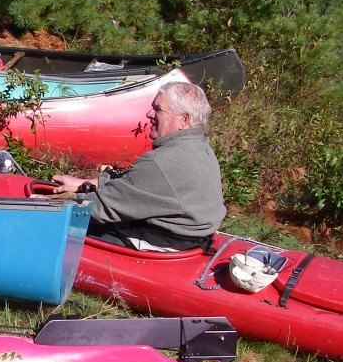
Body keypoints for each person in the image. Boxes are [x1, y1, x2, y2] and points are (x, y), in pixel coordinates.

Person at [50, 81, 226, 251]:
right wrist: (86, 183)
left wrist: (49, 206)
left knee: (59, 233)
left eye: (158, 109)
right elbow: (138, 185)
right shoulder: (200, 148)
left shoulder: (162, 162)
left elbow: (99, 208)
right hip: (191, 239)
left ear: (183, 119)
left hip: (160, 241)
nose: (149, 114)